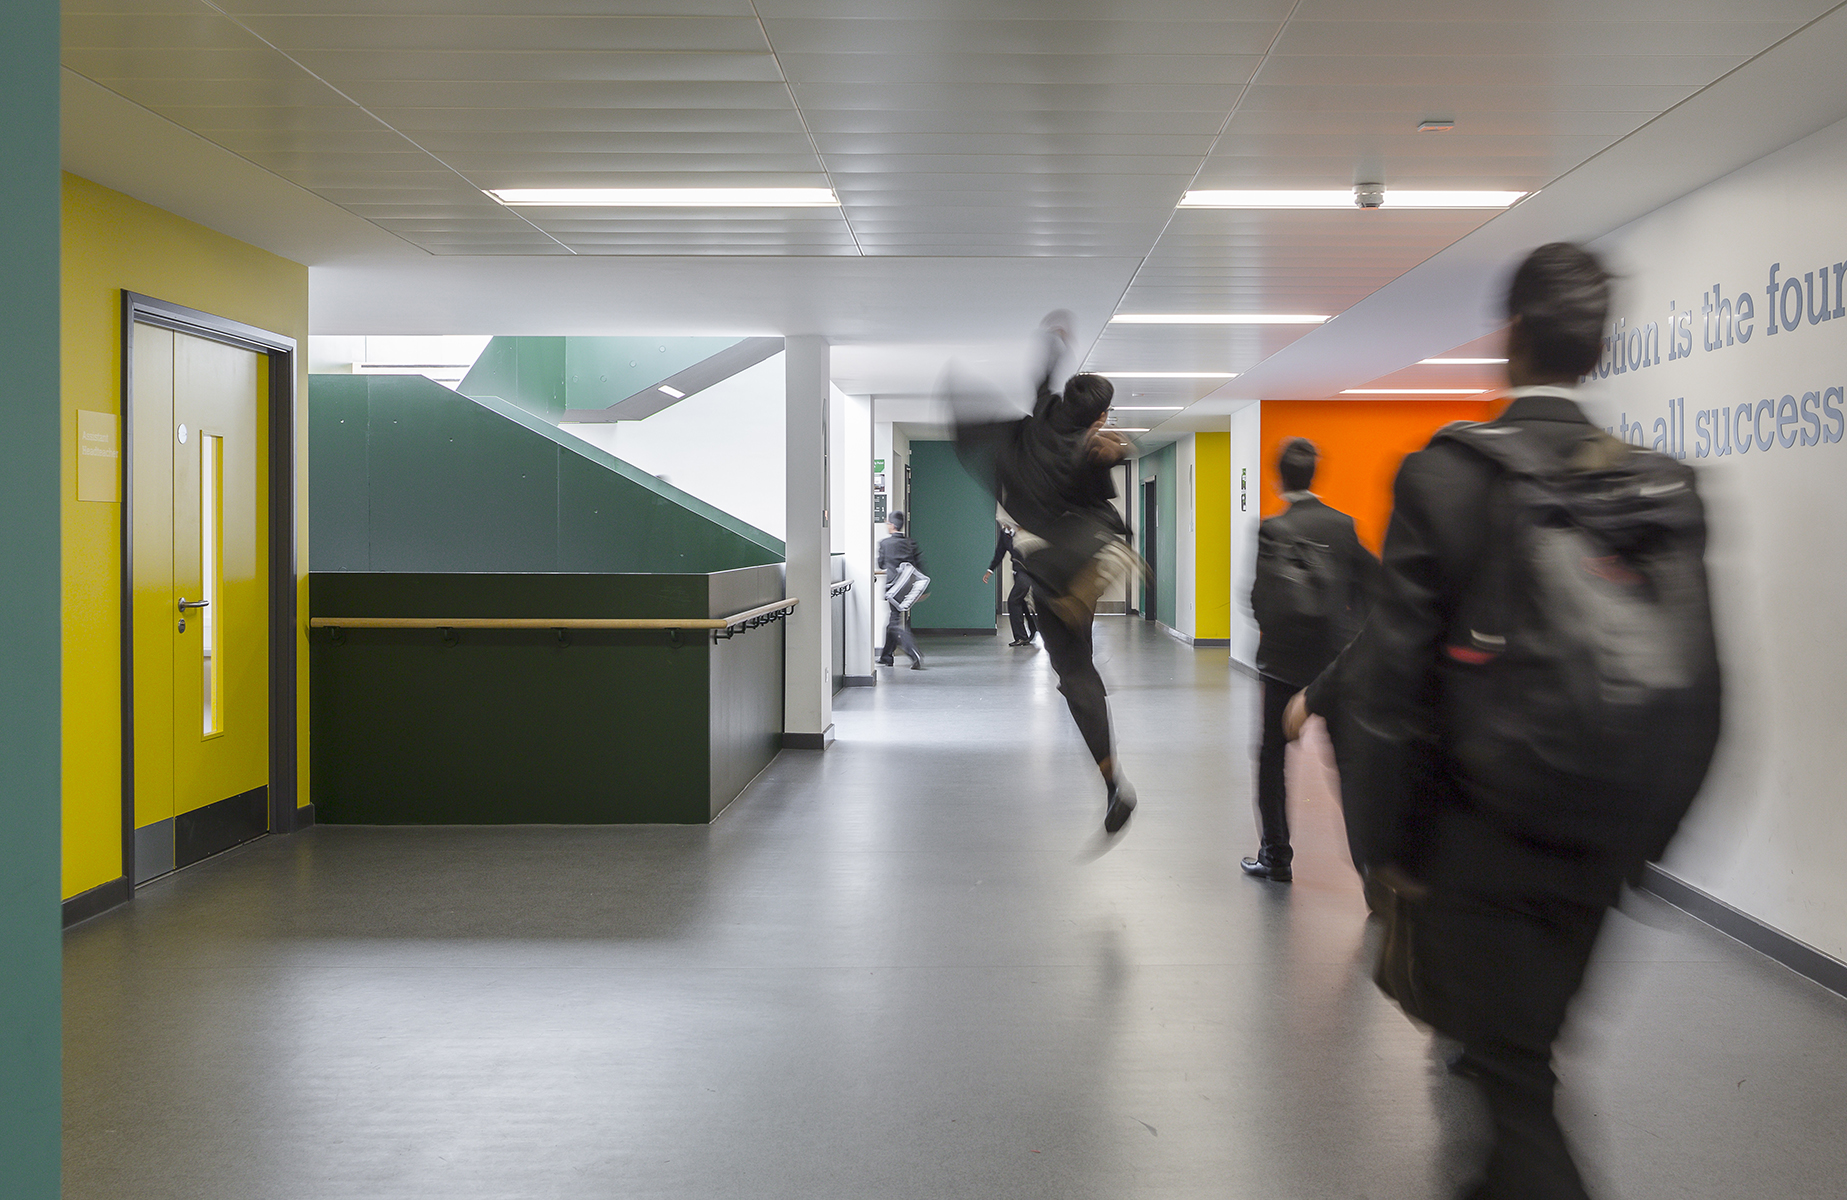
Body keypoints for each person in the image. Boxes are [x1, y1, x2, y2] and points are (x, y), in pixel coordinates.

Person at [1285, 243, 1721, 1200]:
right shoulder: (1660, 490)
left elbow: (1393, 693)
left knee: (1504, 1081)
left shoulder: (1446, 477)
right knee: (1508, 1062)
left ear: (1510, 339)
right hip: (1597, 847)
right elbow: (1702, 695)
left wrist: (1382, 858)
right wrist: (1634, 853)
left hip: (1477, 848)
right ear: (1597, 349)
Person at [952, 313, 1142, 835]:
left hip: (1042, 566)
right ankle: (1100, 574)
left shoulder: (1042, 417)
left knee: (1077, 677)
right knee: (1110, 532)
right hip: (1075, 552)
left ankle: (1113, 781)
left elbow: (1041, 384)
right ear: (1101, 415)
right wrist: (1121, 450)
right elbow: (1101, 462)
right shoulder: (1089, 450)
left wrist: (1054, 345)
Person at [1241, 438, 1376, 883]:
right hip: (1334, 667)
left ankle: (1276, 856)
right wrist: (1350, 637)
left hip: (1281, 665)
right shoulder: (1344, 526)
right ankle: (1369, 866)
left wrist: (1274, 631)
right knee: (1351, 763)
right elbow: (1373, 590)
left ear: (1280, 479)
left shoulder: (1271, 529)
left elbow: (1257, 597)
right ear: (1314, 475)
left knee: (1272, 761)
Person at [876, 511, 925, 670]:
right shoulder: (911, 543)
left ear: (891, 525)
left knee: (895, 623)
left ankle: (914, 653)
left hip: (892, 589)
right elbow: (919, 566)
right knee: (893, 621)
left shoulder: (884, 544)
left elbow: (881, 565)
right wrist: (923, 590)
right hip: (907, 589)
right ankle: (886, 656)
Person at [983, 522, 1038, 646]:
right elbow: (999, 553)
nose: (1004, 525)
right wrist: (990, 570)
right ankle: (1034, 627)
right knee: (1021, 601)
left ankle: (1021, 637)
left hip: (1028, 571)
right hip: (1017, 571)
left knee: (1013, 600)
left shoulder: (1023, 531)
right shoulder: (1004, 534)